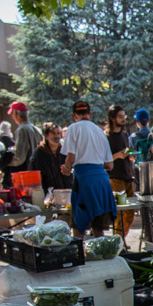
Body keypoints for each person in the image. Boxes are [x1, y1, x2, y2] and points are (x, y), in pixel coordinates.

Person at [60, 100, 116, 237]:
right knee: (98, 227)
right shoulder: (100, 132)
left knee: (79, 225)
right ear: (90, 114)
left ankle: (79, 255)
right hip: (102, 182)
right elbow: (110, 165)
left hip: (84, 181)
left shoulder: (73, 128)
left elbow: (71, 157)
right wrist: (94, 163)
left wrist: (66, 168)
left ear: (74, 115)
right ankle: (102, 255)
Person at [106, 104, 135, 237]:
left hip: (127, 174)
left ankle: (121, 237)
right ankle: (118, 240)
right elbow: (103, 158)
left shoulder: (124, 134)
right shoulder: (107, 137)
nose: (123, 119)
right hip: (115, 176)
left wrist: (130, 156)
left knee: (131, 210)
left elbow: (127, 152)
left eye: (124, 116)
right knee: (120, 212)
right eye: (120, 116)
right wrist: (117, 155)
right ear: (112, 118)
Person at [0, 101, 41, 188]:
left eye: (12, 114)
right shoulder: (35, 129)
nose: (12, 117)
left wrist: (5, 162)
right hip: (36, 172)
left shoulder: (22, 129)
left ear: (16, 114)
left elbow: (19, 158)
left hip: (26, 176)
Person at [29, 122, 72, 192]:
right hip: (48, 195)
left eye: (58, 133)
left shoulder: (64, 151)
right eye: (53, 133)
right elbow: (35, 177)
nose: (57, 136)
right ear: (46, 136)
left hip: (65, 193)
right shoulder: (39, 154)